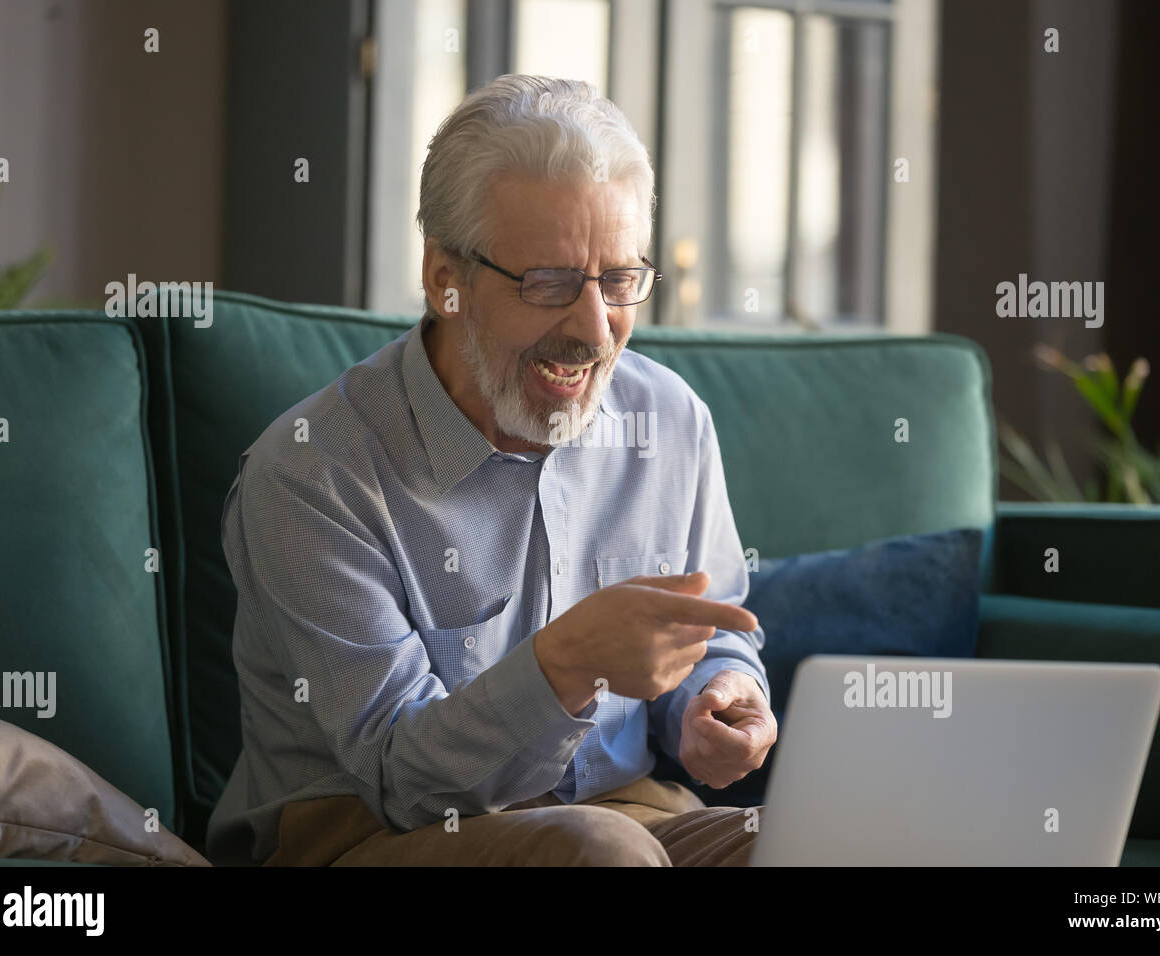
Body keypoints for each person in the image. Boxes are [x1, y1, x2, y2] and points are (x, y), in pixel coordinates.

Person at [206, 74, 776, 866]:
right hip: (370, 834)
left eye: (618, 282)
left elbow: (713, 639)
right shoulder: (312, 474)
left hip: (627, 813)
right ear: (447, 277)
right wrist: (568, 663)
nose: (593, 329)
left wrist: (717, 700)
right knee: (599, 854)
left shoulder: (669, 422)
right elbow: (399, 777)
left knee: (832, 843)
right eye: (547, 284)